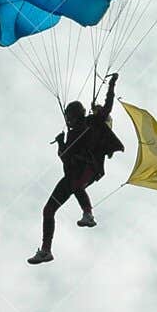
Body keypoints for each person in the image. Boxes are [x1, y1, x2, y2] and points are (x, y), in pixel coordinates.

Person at [28, 73, 124, 265]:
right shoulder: (71, 135)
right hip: (72, 173)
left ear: (77, 114)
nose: (68, 120)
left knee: (76, 184)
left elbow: (107, 107)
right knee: (48, 210)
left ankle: (88, 214)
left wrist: (111, 85)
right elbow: (65, 157)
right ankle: (46, 250)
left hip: (89, 167)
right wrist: (60, 144)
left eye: (69, 116)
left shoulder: (93, 122)